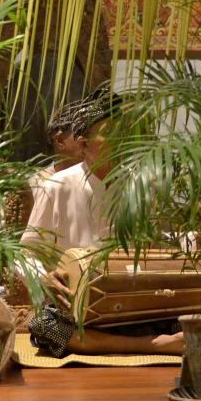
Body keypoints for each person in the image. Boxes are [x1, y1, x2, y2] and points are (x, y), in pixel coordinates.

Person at [19, 91, 185, 356]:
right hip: (77, 309)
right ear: (84, 143)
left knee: (187, 317)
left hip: (132, 305)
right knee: (44, 324)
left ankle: (140, 340)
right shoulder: (57, 187)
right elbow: (25, 252)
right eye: (110, 132)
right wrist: (43, 278)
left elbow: (162, 245)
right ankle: (153, 345)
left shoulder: (143, 186)